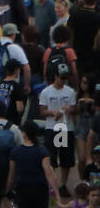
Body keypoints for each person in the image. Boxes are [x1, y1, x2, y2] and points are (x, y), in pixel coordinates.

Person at [39, 66, 77, 196]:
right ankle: (52, 184)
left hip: (66, 127)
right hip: (52, 127)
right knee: (52, 159)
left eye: (66, 78)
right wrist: (52, 112)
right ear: (55, 76)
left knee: (66, 159)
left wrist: (67, 109)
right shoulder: (46, 92)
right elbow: (42, 111)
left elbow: (73, 108)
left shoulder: (70, 91)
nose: (64, 80)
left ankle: (63, 184)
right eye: (62, 77)